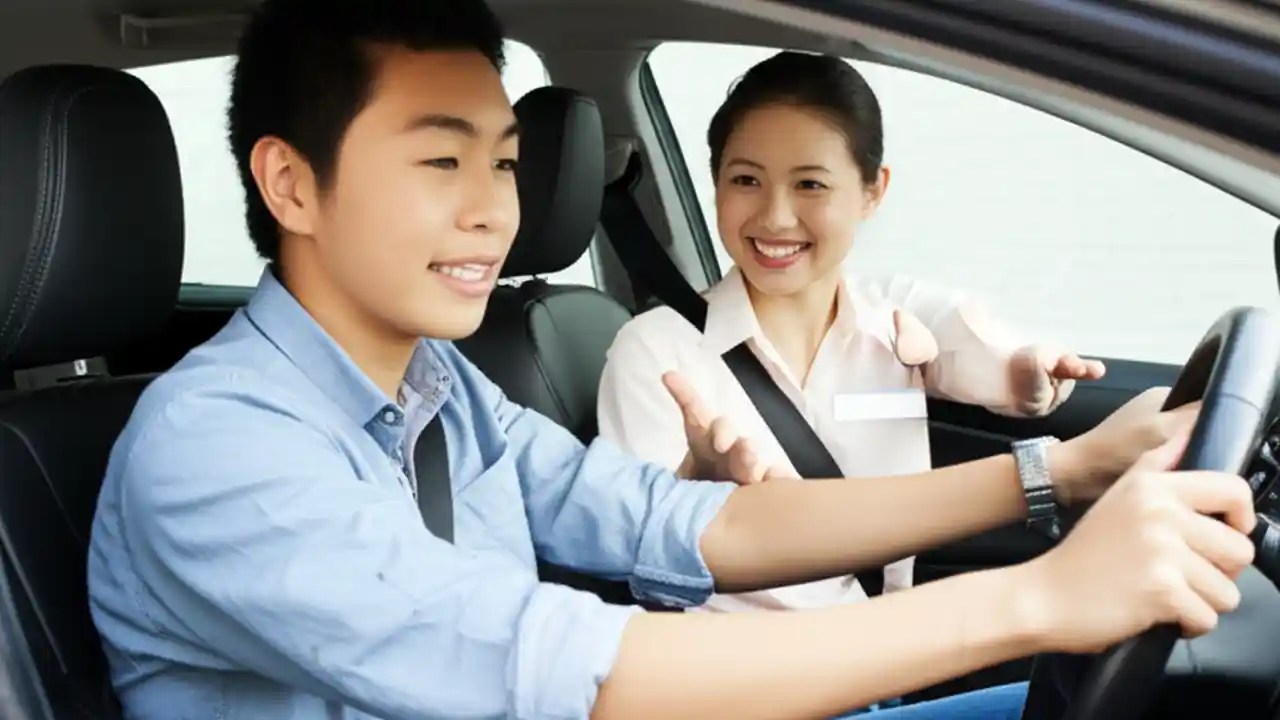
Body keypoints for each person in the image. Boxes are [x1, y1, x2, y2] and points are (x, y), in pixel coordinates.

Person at [84, 2, 1255, 719]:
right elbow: (566, 673)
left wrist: (1059, 473)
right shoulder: (215, 446)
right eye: (441, 164)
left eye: (503, 163)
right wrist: (1037, 597)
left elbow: (701, 528)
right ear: (292, 183)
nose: (495, 211)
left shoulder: (445, 398)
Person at [598, 51, 1105, 616]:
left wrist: (1030, 376)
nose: (775, 217)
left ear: (872, 191)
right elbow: (643, 576)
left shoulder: (898, 319)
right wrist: (694, 488)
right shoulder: (654, 351)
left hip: (885, 664)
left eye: (810, 185)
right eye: (746, 180)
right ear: (716, 182)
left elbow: (991, 356)